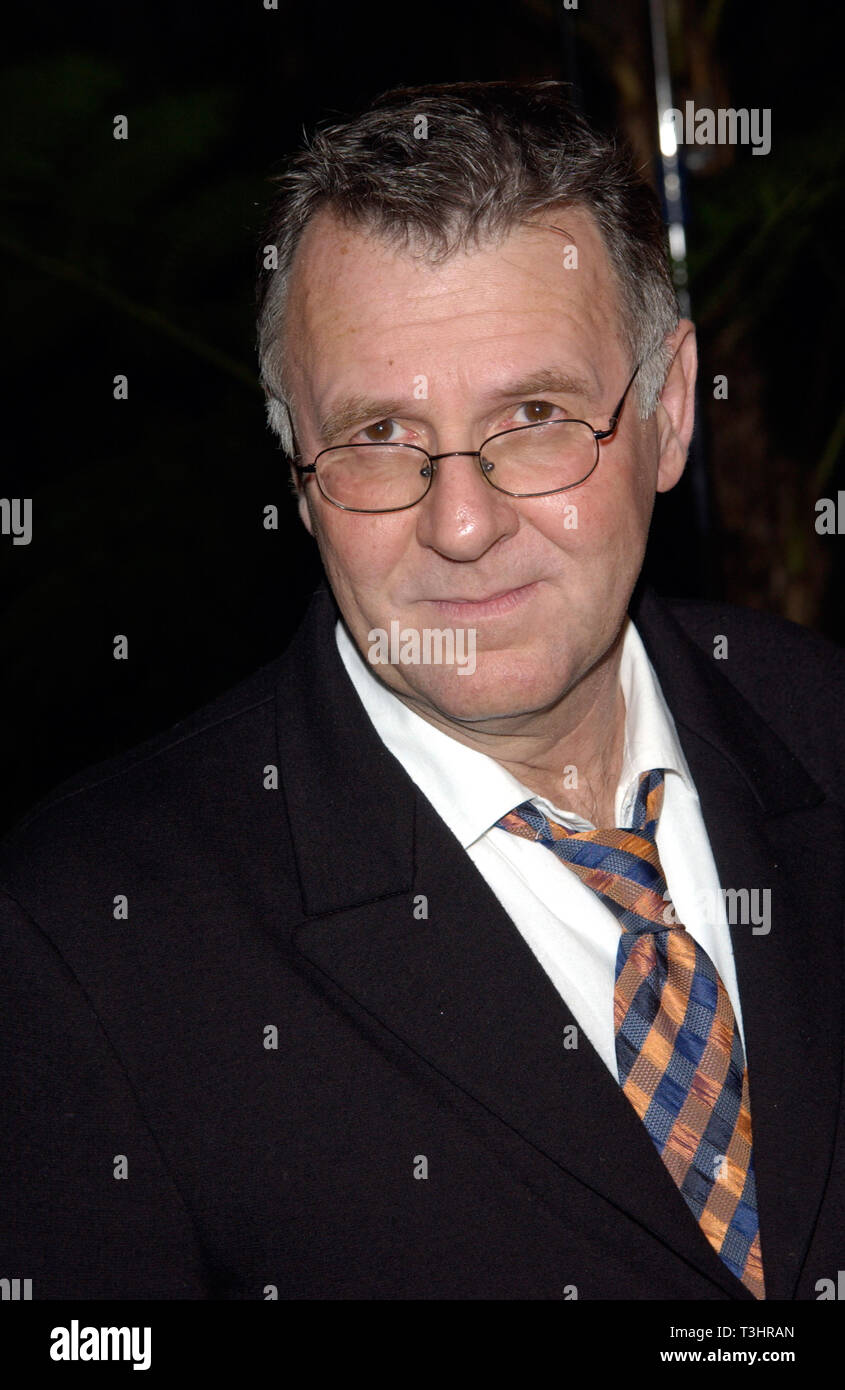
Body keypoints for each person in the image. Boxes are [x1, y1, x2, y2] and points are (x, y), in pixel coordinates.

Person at [1, 81, 843, 1302]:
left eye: (535, 416)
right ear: (295, 469)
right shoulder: (89, 939)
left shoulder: (821, 723)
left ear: (667, 413)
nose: (459, 523)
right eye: (379, 437)